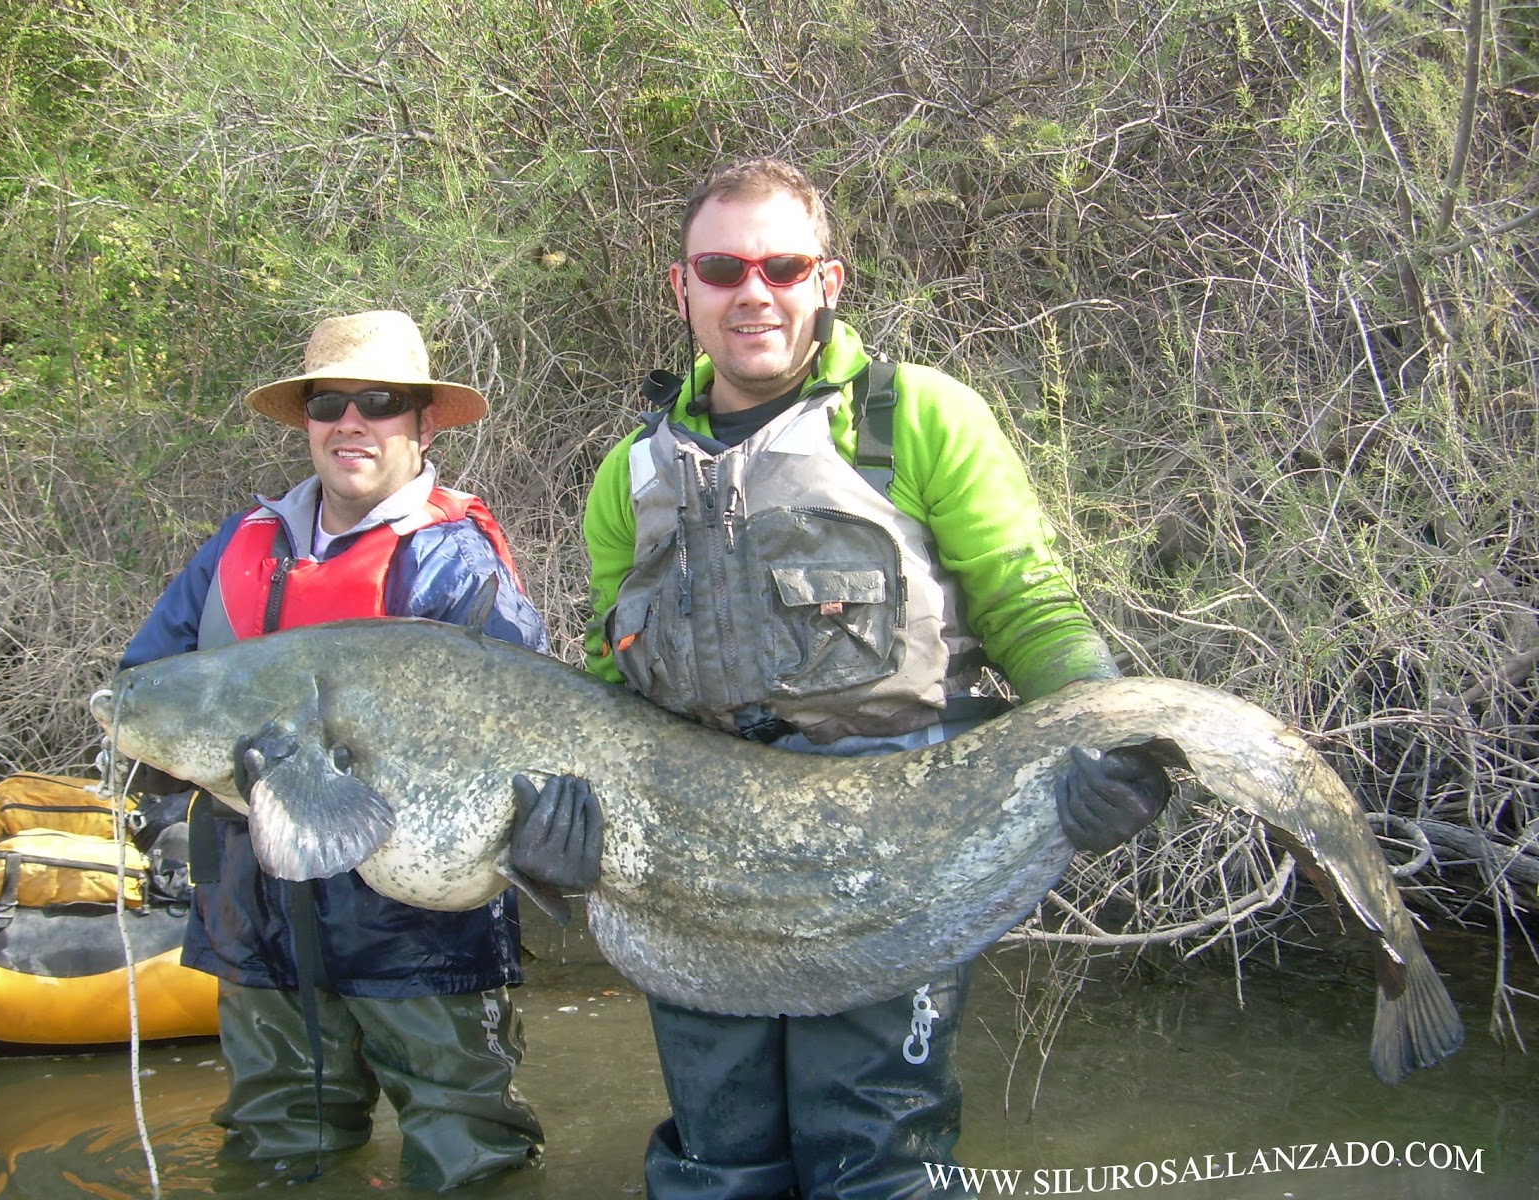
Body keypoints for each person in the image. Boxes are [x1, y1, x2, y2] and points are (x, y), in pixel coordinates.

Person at [572, 158, 1173, 1198]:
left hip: (892, 851)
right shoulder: (625, 476)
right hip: (695, 861)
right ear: (681, 288)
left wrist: (1103, 732)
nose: (752, 292)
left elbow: (1029, 606)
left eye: (782, 265)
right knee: (719, 1165)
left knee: (875, 1164)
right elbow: (602, 691)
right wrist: (563, 817)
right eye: (721, 267)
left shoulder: (923, 419)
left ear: (828, 281)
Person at [116, 310, 549, 1191]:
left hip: (420, 928)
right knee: (275, 1152)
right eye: (328, 401)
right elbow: (147, 682)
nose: (351, 421)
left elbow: (530, 729)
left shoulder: (456, 561)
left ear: (422, 423)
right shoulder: (241, 545)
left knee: (469, 1153)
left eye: (380, 401)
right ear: (307, 420)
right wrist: (165, 806)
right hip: (254, 909)